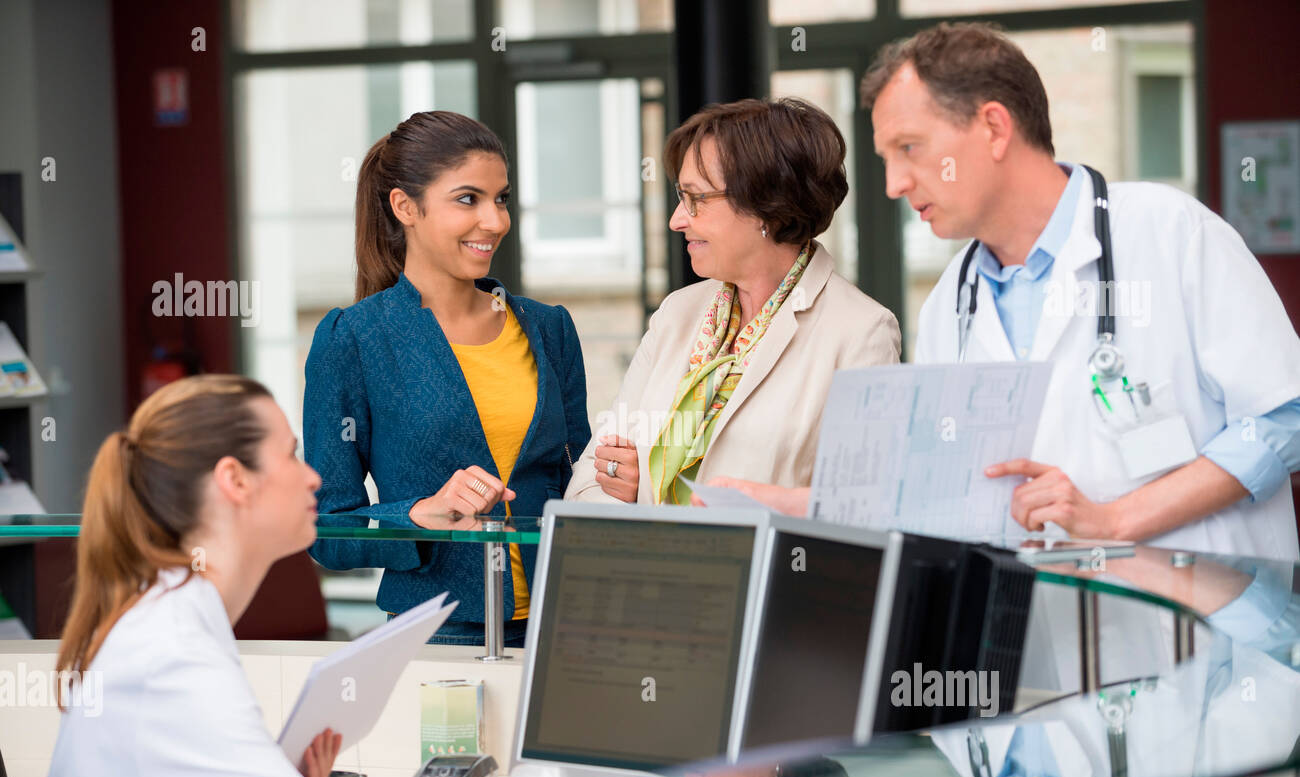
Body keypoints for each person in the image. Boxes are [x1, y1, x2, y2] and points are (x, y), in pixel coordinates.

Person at [710, 24, 1300, 561]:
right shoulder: (950, 305)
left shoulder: (1169, 234)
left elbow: (1284, 417)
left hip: (1214, 638)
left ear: (993, 127)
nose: (893, 184)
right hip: (1052, 652)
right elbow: (949, 492)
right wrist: (794, 507)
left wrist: (1115, 519)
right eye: (886, 159)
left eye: (909, 149)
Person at [23, 375, 341, 777]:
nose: (313, 477)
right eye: (291, 454)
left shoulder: (177, 616)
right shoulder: (171, 652)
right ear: (234, 480)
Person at [305, 111, 590, 646]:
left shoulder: (549, 329)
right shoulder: (355, 339)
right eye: (468, 199)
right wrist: (417, 514)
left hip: (567, 624)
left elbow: (582, 478)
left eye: (501, 198)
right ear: (405, 207)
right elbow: (325, 530)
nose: (495, 221)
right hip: (438, 632)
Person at [565, 98, 899, 506]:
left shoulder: (861, 331)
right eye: (680, 195)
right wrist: (634, 491)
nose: (676, 220)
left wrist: (648, 491)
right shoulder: (677, 313)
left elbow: (860, 506)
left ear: (767, 206)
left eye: (697, 198)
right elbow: (586, 482)